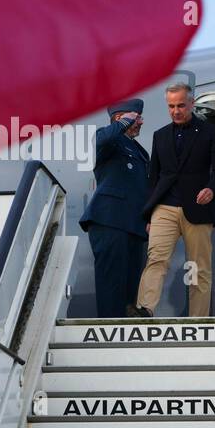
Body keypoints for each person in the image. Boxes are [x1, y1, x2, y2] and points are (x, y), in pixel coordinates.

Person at [134, 82, 215, 317]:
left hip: (198, 207)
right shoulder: (160, 136)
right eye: (171, 106)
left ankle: (198, 320)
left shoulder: (211, 132)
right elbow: (154, 177)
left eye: (181, 106)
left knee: (198, 268)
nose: (176, 111)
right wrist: (150, 213)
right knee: (156, 258)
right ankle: (146, 309)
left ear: (191, 103)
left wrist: (212, 189)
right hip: (164, 207)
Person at [79, 100, 150, 318]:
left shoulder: (140, 151)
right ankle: (108, 327)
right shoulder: (109, 140)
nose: (141, 122)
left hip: (134, 224)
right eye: (136, 118)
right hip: (109, 220)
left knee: (132, 284)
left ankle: (126, 330)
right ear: (121, 118)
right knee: (111, 281)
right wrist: (124, 122)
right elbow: (104, 138)